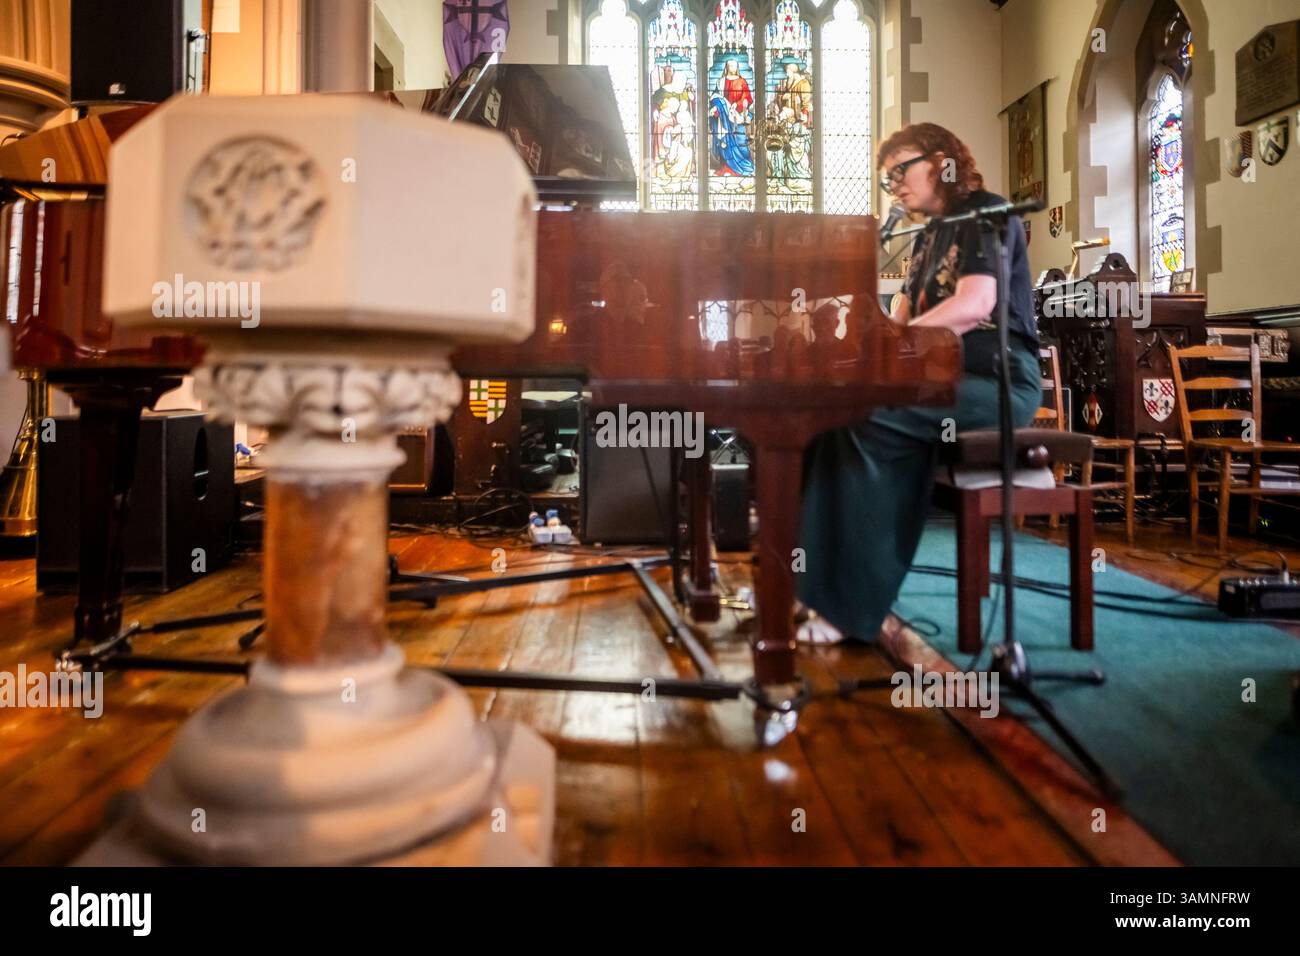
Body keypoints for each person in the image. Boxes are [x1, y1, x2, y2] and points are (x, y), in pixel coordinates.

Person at [796, 123, 1043, 645]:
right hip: (938, 380)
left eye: (900, 171)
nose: (896, 187)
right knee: (829, 422)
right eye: (888, 181)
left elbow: (975, 306)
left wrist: (898, 335)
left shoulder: (987, 214)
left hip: (996, 382)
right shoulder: (928, 237)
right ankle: (808, 588)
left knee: (874, 420)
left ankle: (849, 609)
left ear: (941, 160)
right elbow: (901, 316)